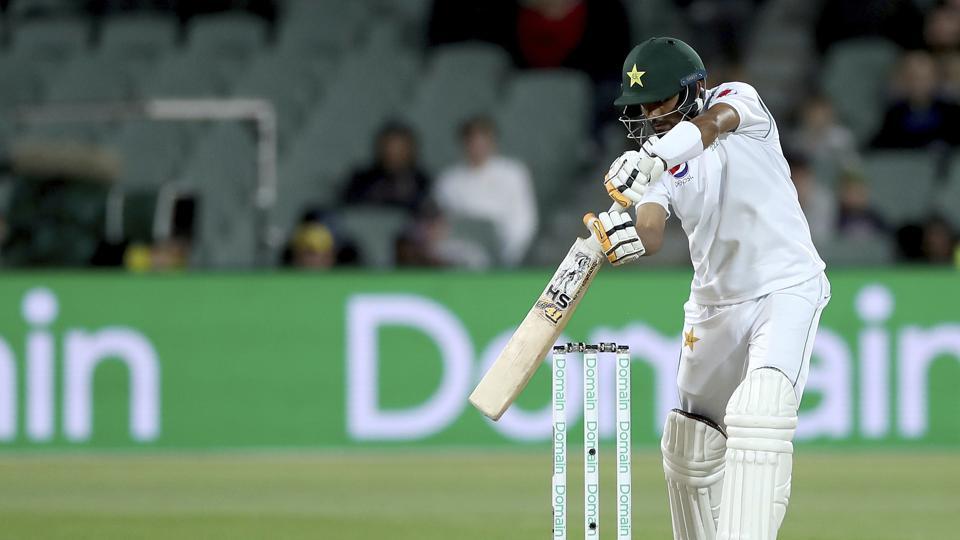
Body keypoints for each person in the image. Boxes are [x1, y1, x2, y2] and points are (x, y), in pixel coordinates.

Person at [596, 37, 830, 540]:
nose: (651, 114)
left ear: (693, 89)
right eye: (643, 105)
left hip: (784, 286)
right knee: (689, 445)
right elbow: (653, 229)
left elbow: (712, 127)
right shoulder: (653, 163)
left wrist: (654, 156)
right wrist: (627, 237)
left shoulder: (737, 100)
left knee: (760, 411)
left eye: (661, 100)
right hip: (713, 306)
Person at [434, 116, 537, 266]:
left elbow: (524, 219)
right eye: (473, 141)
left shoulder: (513, 173)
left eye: (483, 140)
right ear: (464, 143)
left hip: (502, 248)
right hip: (461, 252)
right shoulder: (448, 181)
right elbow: (443, 223)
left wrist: (510, 254)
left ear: (492, 142)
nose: (478, 146)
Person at [871, 50, 960, 149]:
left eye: (925, 78)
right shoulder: (894, 115)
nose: (918, 84)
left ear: (937, 79)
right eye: (912, 77)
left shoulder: (952, 113)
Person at [341, 122, 432, 214]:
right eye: (389, 148)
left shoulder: (423, 183)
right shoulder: (362, 180)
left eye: (400, 150)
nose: (393, 155)